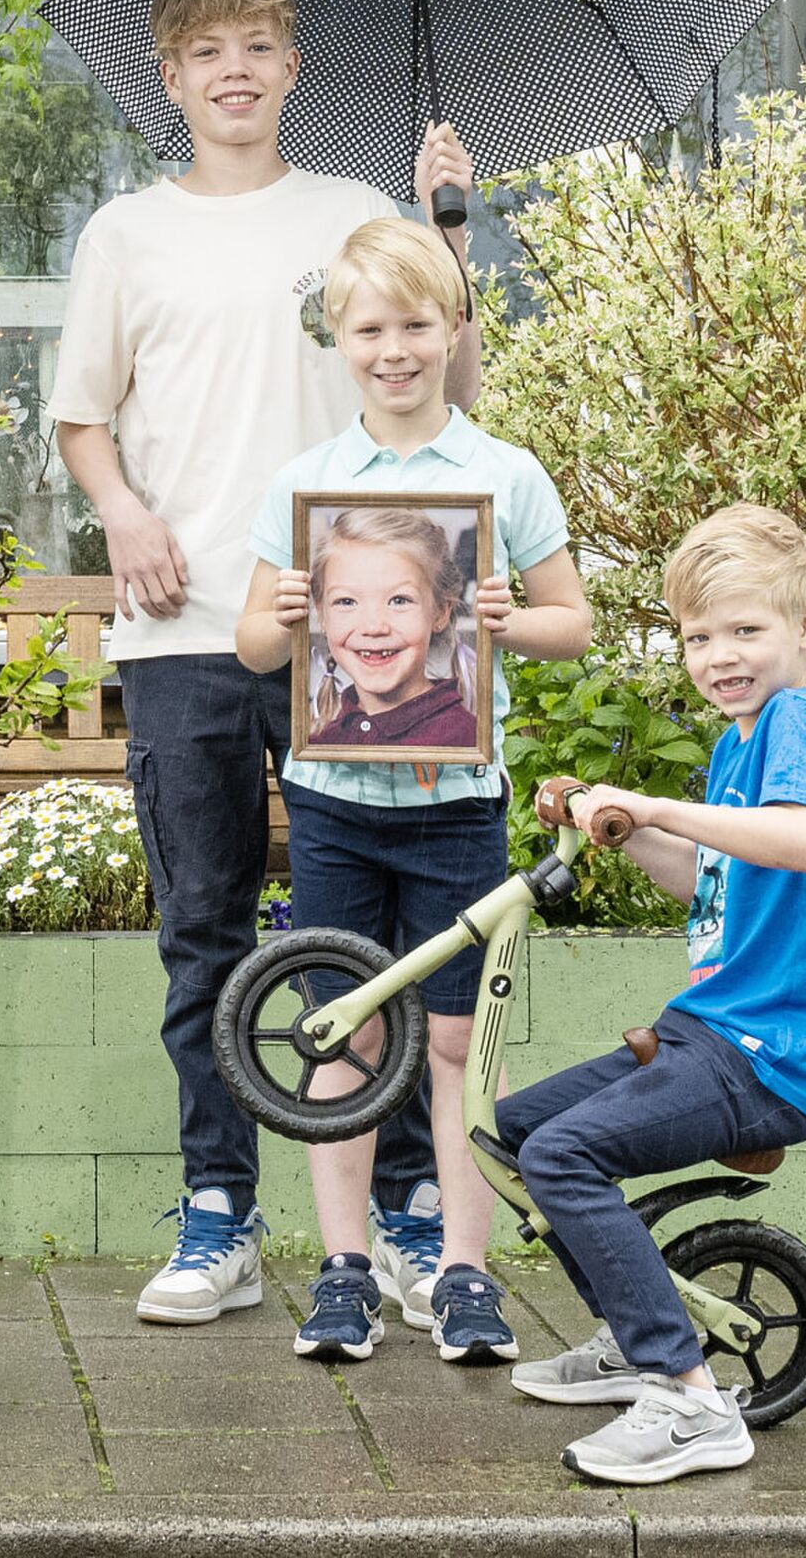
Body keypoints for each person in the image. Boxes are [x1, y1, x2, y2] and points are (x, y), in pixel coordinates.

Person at [50, 0, 478, 1326]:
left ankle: (407, 1213)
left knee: (388, 936)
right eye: (205, 53)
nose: (234, 70)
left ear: (295, 67)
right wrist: (121, 517)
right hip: (184, 625)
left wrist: (446, 235)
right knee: (204, 929)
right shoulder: (126, 232)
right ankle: (219, 1211)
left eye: (258, 48)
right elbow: (82, 417)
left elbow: (448, 380)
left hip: (360, 632)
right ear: (169, 81)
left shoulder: (354, 213)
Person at [235, 217, 592, 1368]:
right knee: (340, 1032)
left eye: (417, 325)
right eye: (370, 327)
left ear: (455, 331)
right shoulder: (304, 481)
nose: (395, 349)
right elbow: (248, 646)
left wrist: (508, 623)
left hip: (455, 807)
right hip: (334, 801)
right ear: (336, 338)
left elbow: (571, 625)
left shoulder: (503, 473)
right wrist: (282, 617)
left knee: (454, 1044)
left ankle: (464, 1273)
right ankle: (344, 1271)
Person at [500, 506, 806, 1486]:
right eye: (698, 636)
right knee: (517, 1130)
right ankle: (637, 1335)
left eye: (746, 629)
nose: (719, 654)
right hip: (708, 1027)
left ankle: (690, 1401)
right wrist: (630, 829)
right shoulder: (736, 745)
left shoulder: (797, 719)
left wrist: (655, 802)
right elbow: (711, 877)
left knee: (564, 1152)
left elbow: (805, 840)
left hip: (764, 1049)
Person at [303, 507, 480, 753]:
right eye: (347, 602)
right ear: (322, 614)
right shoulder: (318, 742)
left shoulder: (468, 739)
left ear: (440, 611)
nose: (374, 627)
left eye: (399, 600)